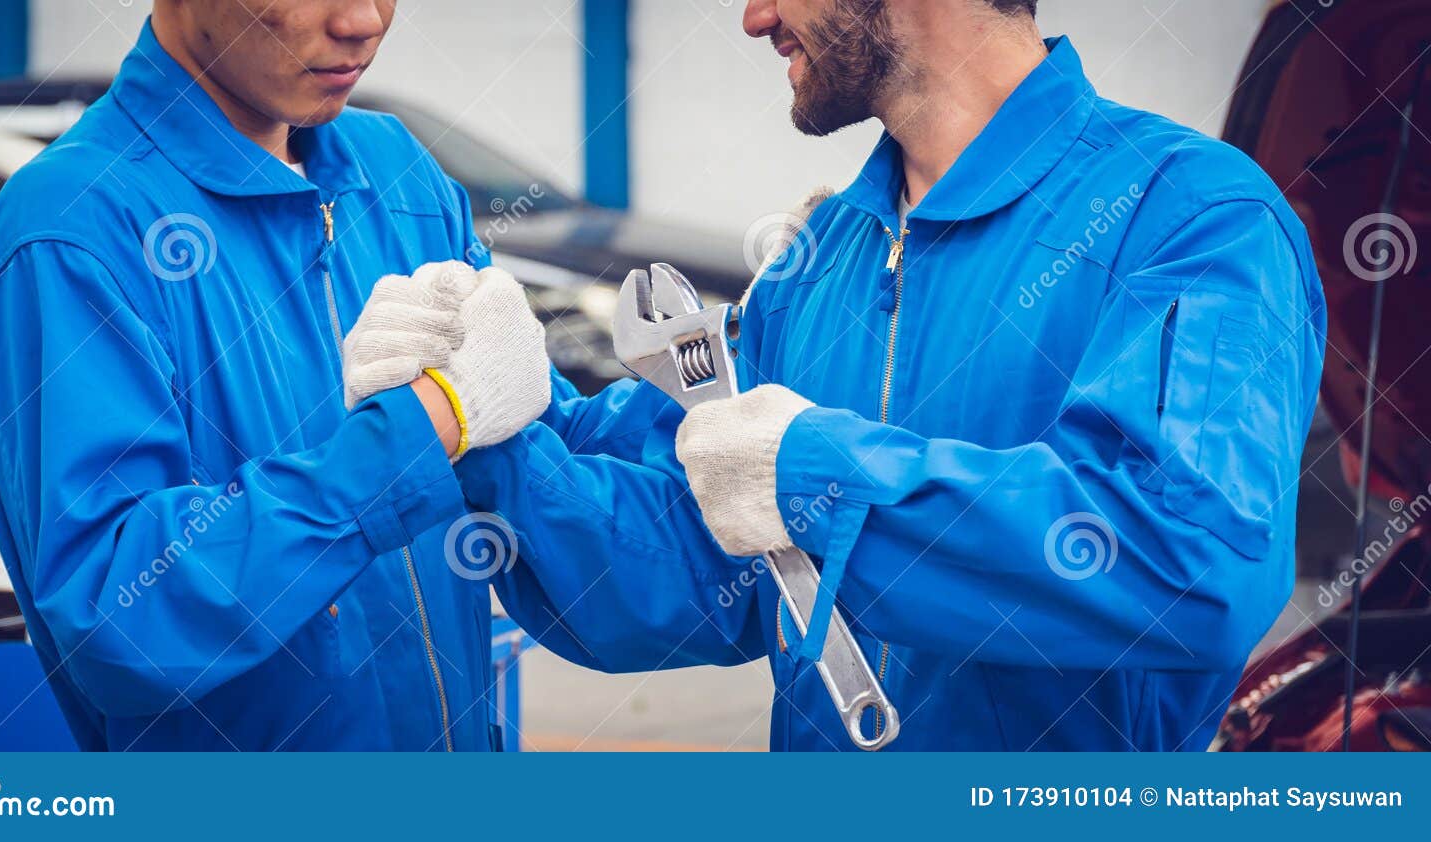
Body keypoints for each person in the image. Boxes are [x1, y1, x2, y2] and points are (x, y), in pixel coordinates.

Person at [344, 0, 1327, 750]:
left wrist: (814, 475)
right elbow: (709, 572)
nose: (753, 16)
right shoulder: (823, 259)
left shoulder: (1193, 220)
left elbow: (1189, 563)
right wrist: (489, 430)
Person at [0, 1, 556, 750]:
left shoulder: (396, 174)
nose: (364, 21)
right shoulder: (70, 232)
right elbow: (120, 618)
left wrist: (703, 443)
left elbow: (538, 447)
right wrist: (418, 433)